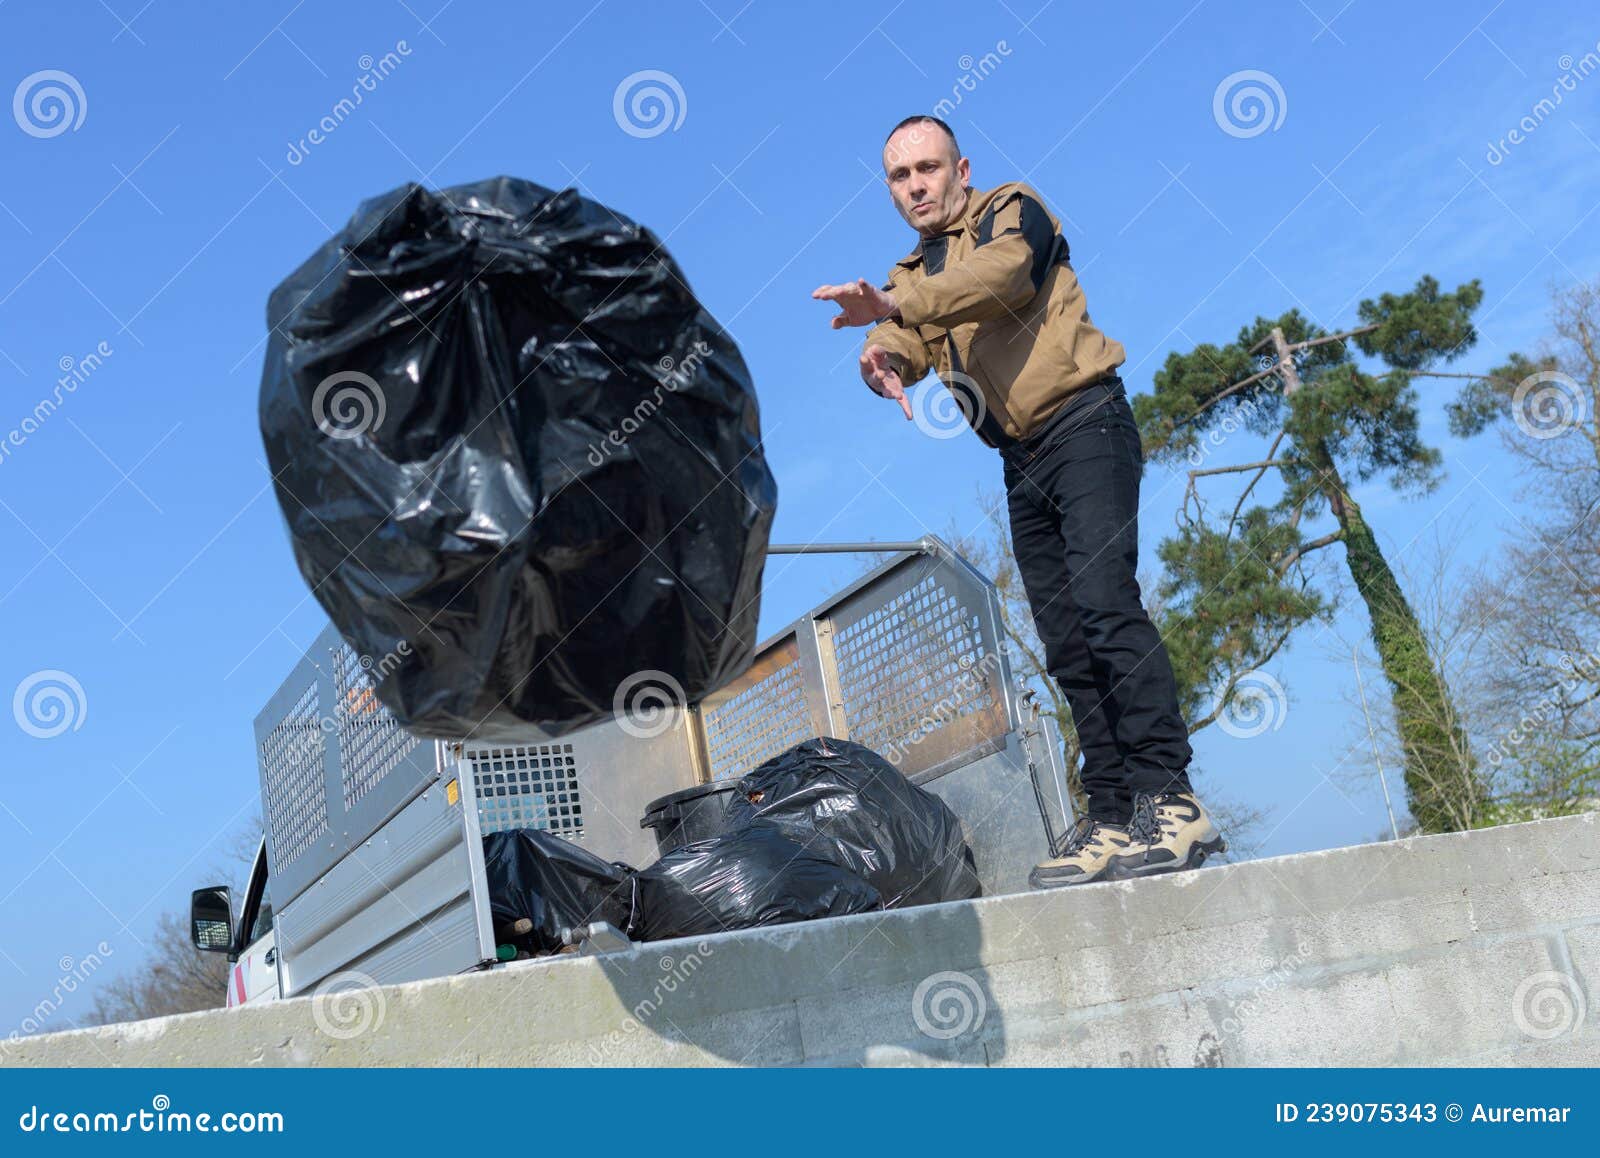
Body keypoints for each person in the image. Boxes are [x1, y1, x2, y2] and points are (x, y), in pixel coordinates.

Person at [812, 115, 1225, 886]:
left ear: (960, 169)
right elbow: (909, 336)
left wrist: (901, 313)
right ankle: (1110, 813)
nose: (917, 187)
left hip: (1085, 423)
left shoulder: (1011, 208)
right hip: (1020, 461)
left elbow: (1003, 277)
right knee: (1066, 640)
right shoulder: (909, 275)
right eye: (900, 178)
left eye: (928, 169)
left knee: (1105, 605)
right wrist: (880, 359)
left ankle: (1171, 801)